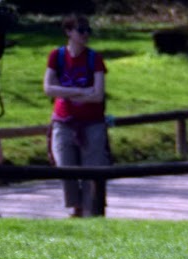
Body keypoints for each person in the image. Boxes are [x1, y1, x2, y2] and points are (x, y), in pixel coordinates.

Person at [43, 14, 106, 218]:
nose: (85, 34)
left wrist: (64, 91)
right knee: (65, 168)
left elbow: (98, 95)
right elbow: (48, 88)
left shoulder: (94, 58)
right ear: (69, 32)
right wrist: (80, 92)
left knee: (92, 170)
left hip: (92, 123)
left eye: (88, 30)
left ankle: (91, 211)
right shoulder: (57, 56)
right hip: (63, 121)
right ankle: (75, 207)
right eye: (81, 30)